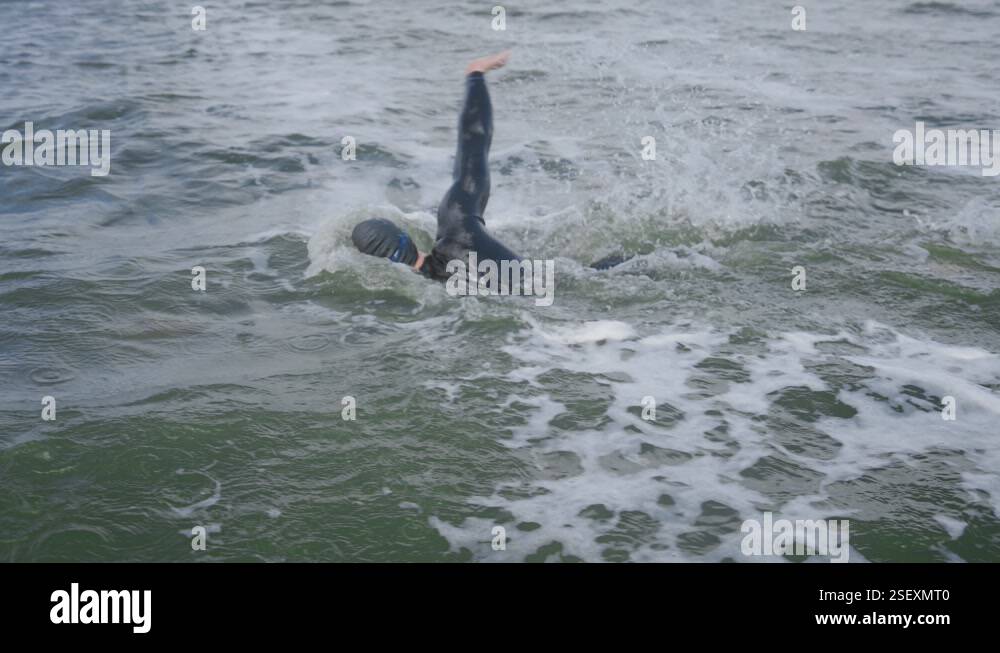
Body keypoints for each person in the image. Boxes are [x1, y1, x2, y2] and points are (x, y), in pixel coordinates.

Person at [350, 50, 521, 281]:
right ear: (404, 237)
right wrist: (475, 74)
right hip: (549, 283)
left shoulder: (427, 294)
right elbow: (474, 147)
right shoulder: (458, 229)